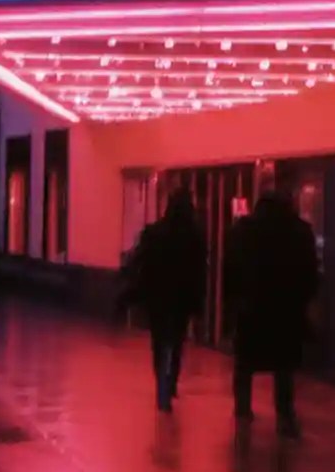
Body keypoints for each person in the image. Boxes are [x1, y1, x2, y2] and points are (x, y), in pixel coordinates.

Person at [223, 189, 319, 438]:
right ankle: (285, 415)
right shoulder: (300, 232)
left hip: (251, 310)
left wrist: (232, 304)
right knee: (284, 365)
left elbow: (231, 271)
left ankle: (243, 409)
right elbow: (310, 274)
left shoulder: (243, 232)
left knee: (244, 364)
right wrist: (303, 302)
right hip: (286, 311)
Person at [120, 188, 207, 412]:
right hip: (182, 299)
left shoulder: (154, 232)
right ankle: (171, 382)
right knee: (177, 342)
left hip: (157, 298)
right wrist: (199, 302)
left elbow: (140, 261)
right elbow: (199, 271)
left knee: (159, 342)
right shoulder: (195, 236)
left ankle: (162, 383)